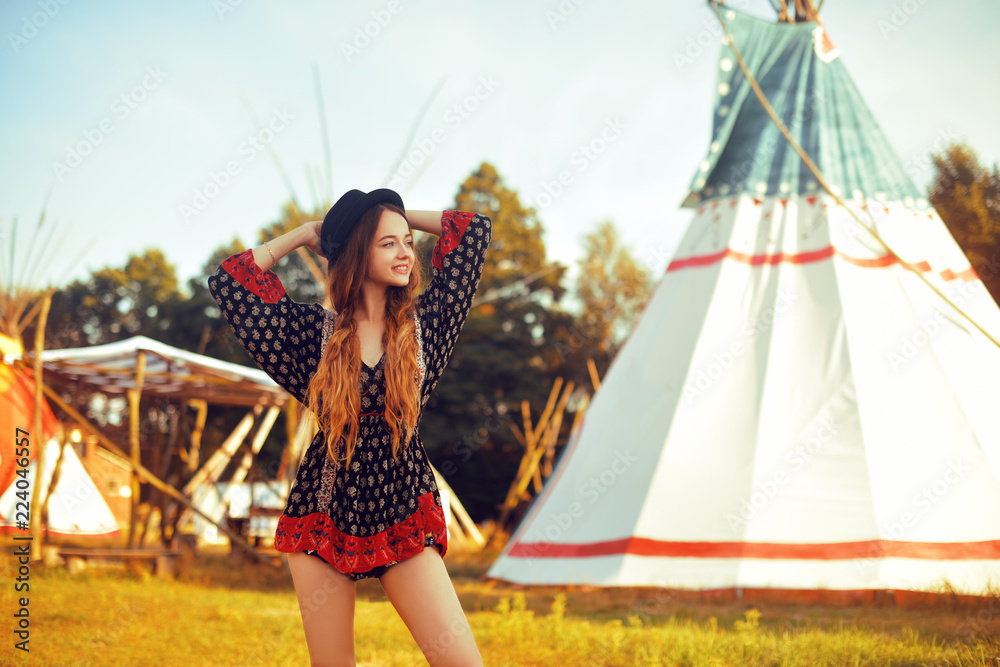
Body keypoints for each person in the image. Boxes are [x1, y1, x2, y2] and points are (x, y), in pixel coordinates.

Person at [208, 188, 492, 666]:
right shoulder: (311, 335)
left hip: (403, 505)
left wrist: (400, 218)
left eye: (407, 241)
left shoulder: (428, 324)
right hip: (323, 514)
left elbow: (473, 231)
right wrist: (304, 235)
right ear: (359, 253)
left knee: (461, 662)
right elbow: (230, 281)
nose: (406, 252)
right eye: (388, 243)